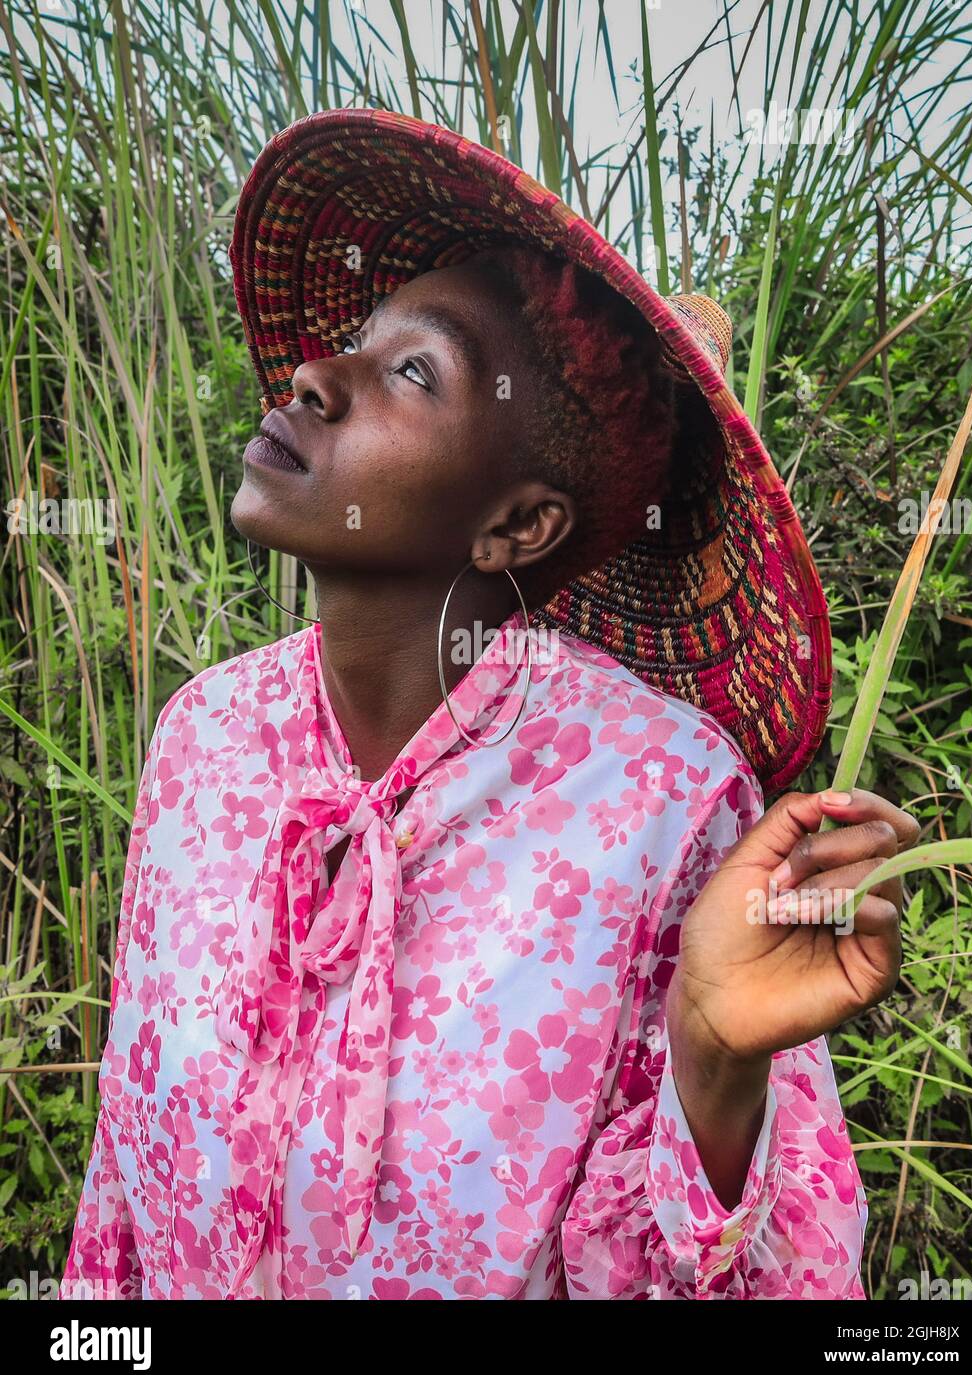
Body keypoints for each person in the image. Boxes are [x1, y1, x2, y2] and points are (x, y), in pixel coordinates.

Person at [60, 108, 918, 1300]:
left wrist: (711, 1062)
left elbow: (750, 1278)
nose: (315, 375)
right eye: (358, 343)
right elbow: (125, 1185)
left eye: (412, 369)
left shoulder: (660, 804)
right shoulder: (204, 739)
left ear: (518, 525)